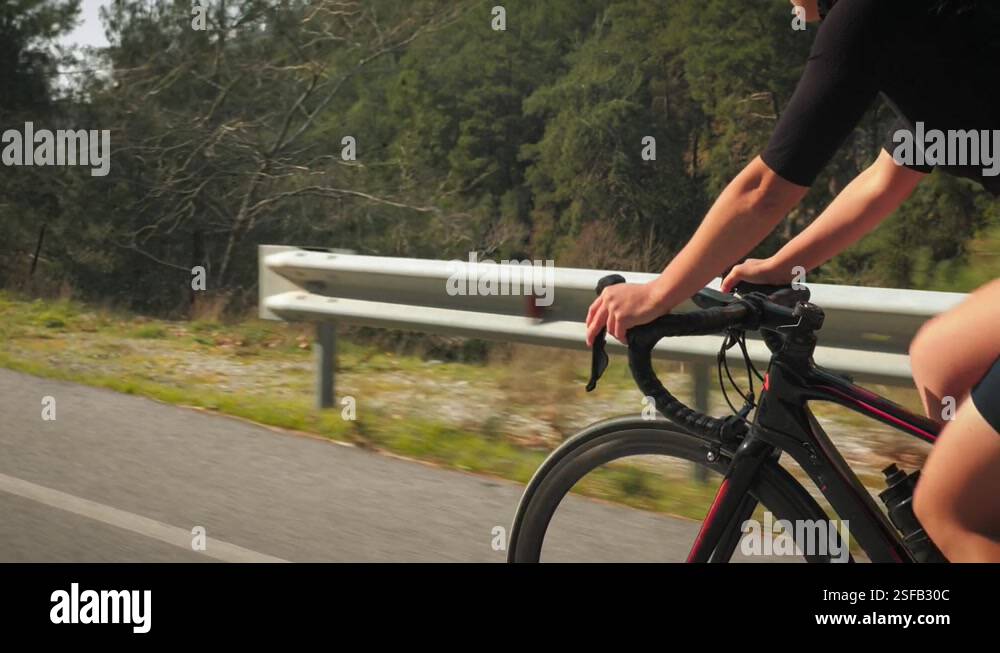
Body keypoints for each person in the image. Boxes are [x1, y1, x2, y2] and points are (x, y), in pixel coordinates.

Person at [585, 0, 1000, 562]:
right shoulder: (923, 33)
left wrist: (660, 292)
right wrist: (781, 265)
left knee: (947, 509)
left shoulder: (865, 16)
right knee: (939, 360)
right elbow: (882, 181)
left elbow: (765, 189)